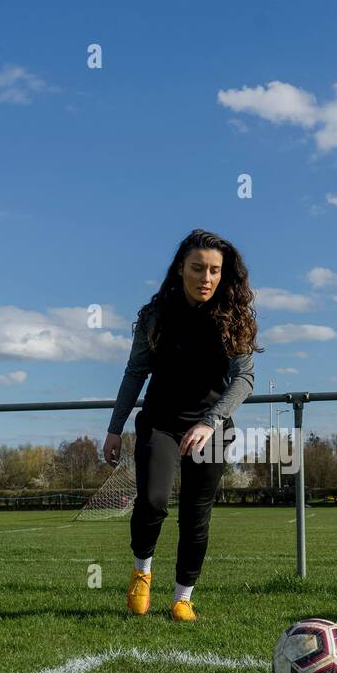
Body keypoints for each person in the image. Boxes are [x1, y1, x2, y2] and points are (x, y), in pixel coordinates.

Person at [103, 229, 261, 621]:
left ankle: (182, 598)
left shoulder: (234, 318)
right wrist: (114, 427)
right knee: (152, 501)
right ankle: (142, 573)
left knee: (196, 513)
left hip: (212, 428)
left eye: (214, 271)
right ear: (180, 269)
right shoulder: (156, 317)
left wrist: (210, 422)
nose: (206, 278)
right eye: (197, 268)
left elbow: (244, 379)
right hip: (160, 424)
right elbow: (135, 372)